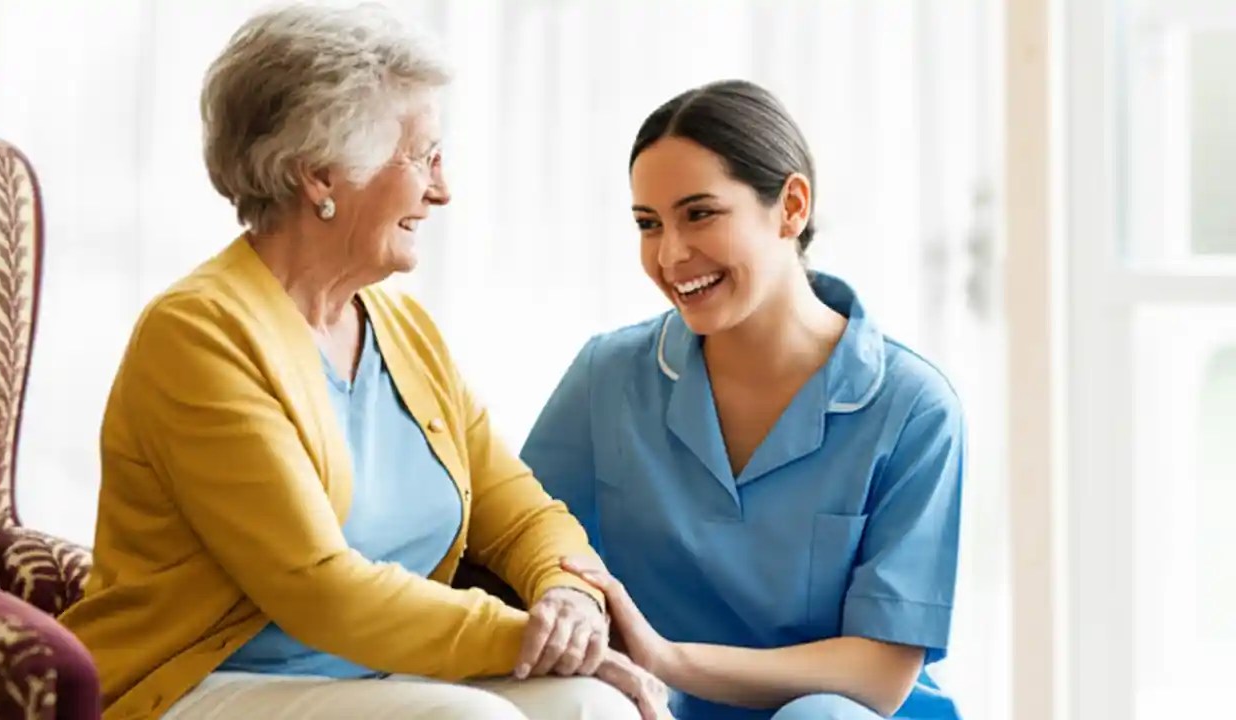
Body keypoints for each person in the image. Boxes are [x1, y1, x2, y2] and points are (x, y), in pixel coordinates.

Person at [58, 4, 668, 719]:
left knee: (593, 707)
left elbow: (521, 513)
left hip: (376, 679)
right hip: (201, 682)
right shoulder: (199, 333)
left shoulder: (404, 331)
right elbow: (320, 587)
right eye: (422, 157)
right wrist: (531, 637)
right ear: (320, 175)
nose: (442, 190)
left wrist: (569, 596)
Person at [520, 79, 965, 720]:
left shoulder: (913, 408)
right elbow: (520, 545)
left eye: (699, 214)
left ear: (791, 207)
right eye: (650, 224)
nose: (670, 255)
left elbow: (879, 673)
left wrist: (666, 659)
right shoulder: (608, 377)